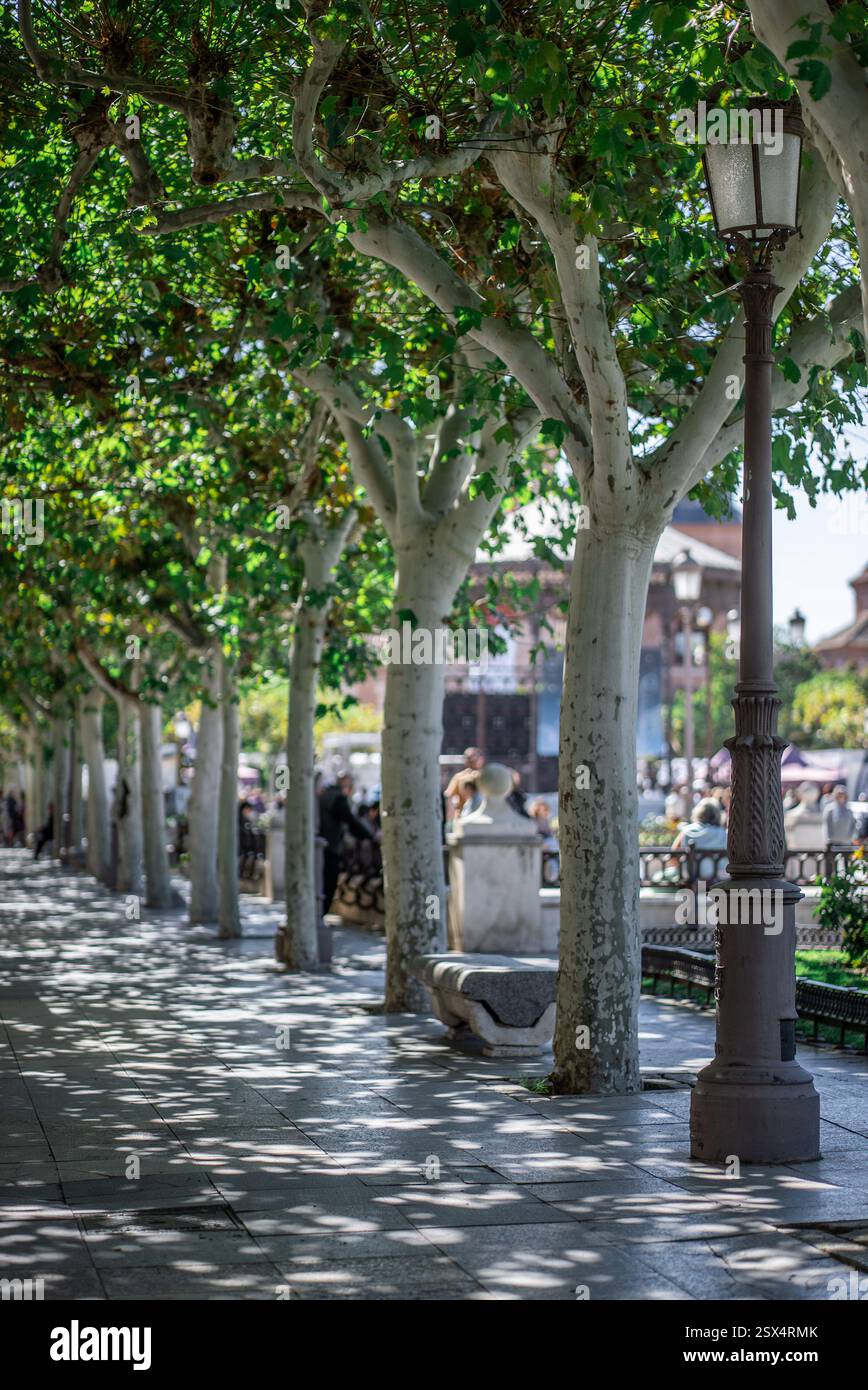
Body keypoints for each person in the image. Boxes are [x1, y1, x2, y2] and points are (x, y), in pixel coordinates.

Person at [318, 772, 375, 916]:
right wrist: (371, 837)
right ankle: (320, 915)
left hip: (323, 845)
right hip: (329, 847)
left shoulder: (325, 795)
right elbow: (351, 822)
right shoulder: (337, 799)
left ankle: (319, 915)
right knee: (328, 883)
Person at [671, 798, 728, 882]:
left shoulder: (687, 831)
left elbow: (674, 853)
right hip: (719, 880)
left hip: (693, 880)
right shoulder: (724, 834)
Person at [823, 785, 855, 849]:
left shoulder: (849, 810)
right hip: (833, 843)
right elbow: (826, 826)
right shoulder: (830, 809)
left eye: (842, 794)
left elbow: (853, 825)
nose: (840, 796)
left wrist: (851, 838)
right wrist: (828, 840)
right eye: (838, 794)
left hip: (846, 843)